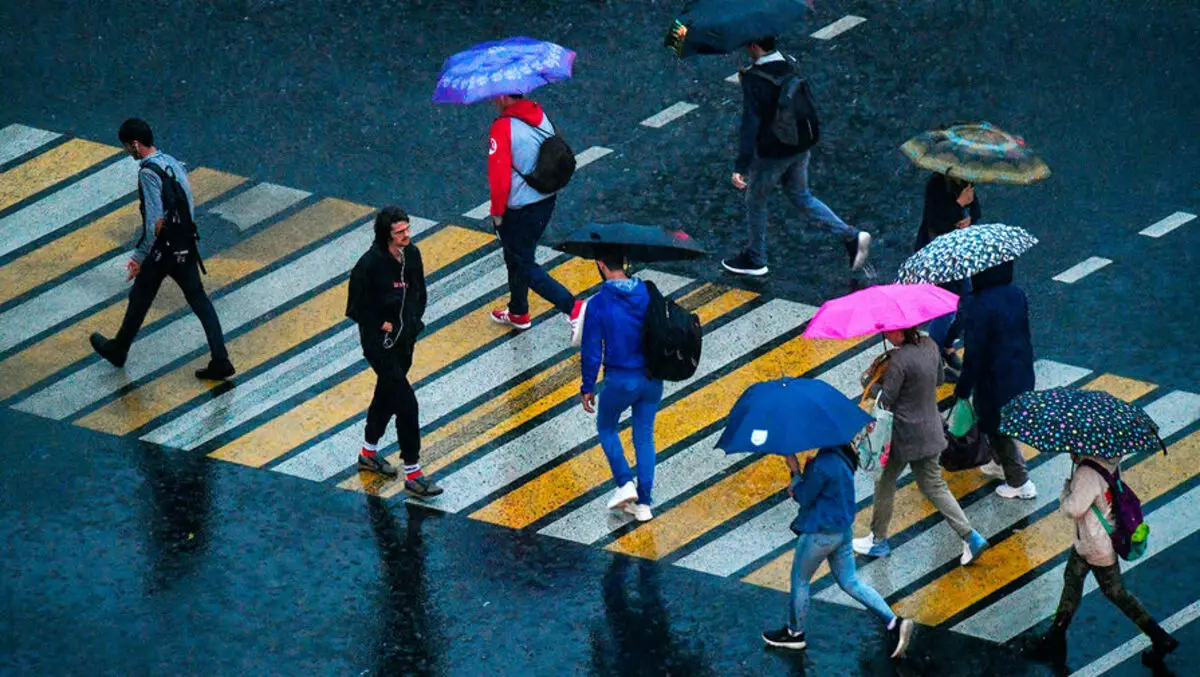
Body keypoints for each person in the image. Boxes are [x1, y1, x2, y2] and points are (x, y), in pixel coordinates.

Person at [90, 118, 234, 380]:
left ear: (135, 144)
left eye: (126, 147)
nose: (127, 152)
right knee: (199, 300)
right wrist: (186, 240)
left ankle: (119, 349)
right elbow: (188, 205)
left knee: (140, 296)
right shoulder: (174, 163)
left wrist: (139, 256)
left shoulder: (147, 173)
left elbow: (153, 223)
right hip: (185, 245)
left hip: (162, 249)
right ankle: (221, 359)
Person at [721, 36, 871, 278]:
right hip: (800, 143)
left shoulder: (754, 79)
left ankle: (755, 258)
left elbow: (751, 123)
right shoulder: (790, 63)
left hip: (773, 151)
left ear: (754, 47)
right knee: (801, 196)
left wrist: (741, 164)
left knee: (755, 200)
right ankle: (851, 236)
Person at [852, 328, 989, 565]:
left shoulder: (899, 361)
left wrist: (870, 383)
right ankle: (971, 536)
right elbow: (939, 380)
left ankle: (878, 540)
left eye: (888, 331)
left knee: (884, 481)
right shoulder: (930, 345)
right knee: (934, 486)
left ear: (901, 330)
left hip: (903, 437)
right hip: (931, 431)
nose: (885, 335)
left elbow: (886, 401)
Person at [762, 445, 914, 658]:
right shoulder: (843, 456)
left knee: (800, 580)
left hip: (820, 532)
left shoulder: (824, 464)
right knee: (850, 582)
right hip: (843, 530)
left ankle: (794, 633)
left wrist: (795, 472)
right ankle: (893, 622)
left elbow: (804, 496)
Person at [1031, 454, 1178, 669]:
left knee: (1116, 593)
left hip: (1094, 544)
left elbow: (1073, 509)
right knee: (1073, 578)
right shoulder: (1110, 460)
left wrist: (1066, 490)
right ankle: (1055, 635)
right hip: (1098, 537)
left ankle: (1160, 637)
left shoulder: (1086, 474)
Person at [346, 207, 441, 498]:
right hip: (380, 346)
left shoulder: (413, 255)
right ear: (386, 233)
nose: (407, 236)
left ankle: (368, 453)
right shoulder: (369, 265)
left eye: (407, 229)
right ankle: (413, 473)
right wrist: (383, 324)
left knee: (386, 396)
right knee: (407, 405)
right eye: (400, 232)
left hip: (406, 341)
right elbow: (356, 308)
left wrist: (411, 322)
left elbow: (420, 293)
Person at [485, 92, 584, 339]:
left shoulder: (502, 127)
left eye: (496, 96)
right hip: (545, 200)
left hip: (520, 209)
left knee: (523, 264)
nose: (493, 101)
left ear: (506, 97)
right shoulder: (538, 114)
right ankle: (518, 311)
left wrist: (497, 214)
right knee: (516, 255)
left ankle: (574, 308)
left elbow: (499, 179)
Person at [579, 246, 662, 523]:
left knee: (606, 427)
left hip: (620, 379)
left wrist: (587, 386)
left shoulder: (599, 303)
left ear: (601, 265)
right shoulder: (648, 292)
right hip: (652, 378)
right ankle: (645, 504)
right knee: (644, 437)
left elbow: (592, 351)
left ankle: (625, 482)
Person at [953, 261, 1037, 499]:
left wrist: (963, 387)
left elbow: (974, 351)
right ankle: (998, 462)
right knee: (1000, 419)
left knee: (996, 424)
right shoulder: (1016, 294)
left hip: (993, 375)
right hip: (1020, 368)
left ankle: (1020, 481)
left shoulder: (979, 303)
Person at [918, 172, 980, 375]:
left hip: (958, 251)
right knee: (946, 308)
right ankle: (933, 357)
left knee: (967, 301)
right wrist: (959, 206)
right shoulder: (936, 184)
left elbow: (976, 209)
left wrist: (969, 218)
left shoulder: (967, 179)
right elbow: (934, 221)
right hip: (938, 253)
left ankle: (946, 345)